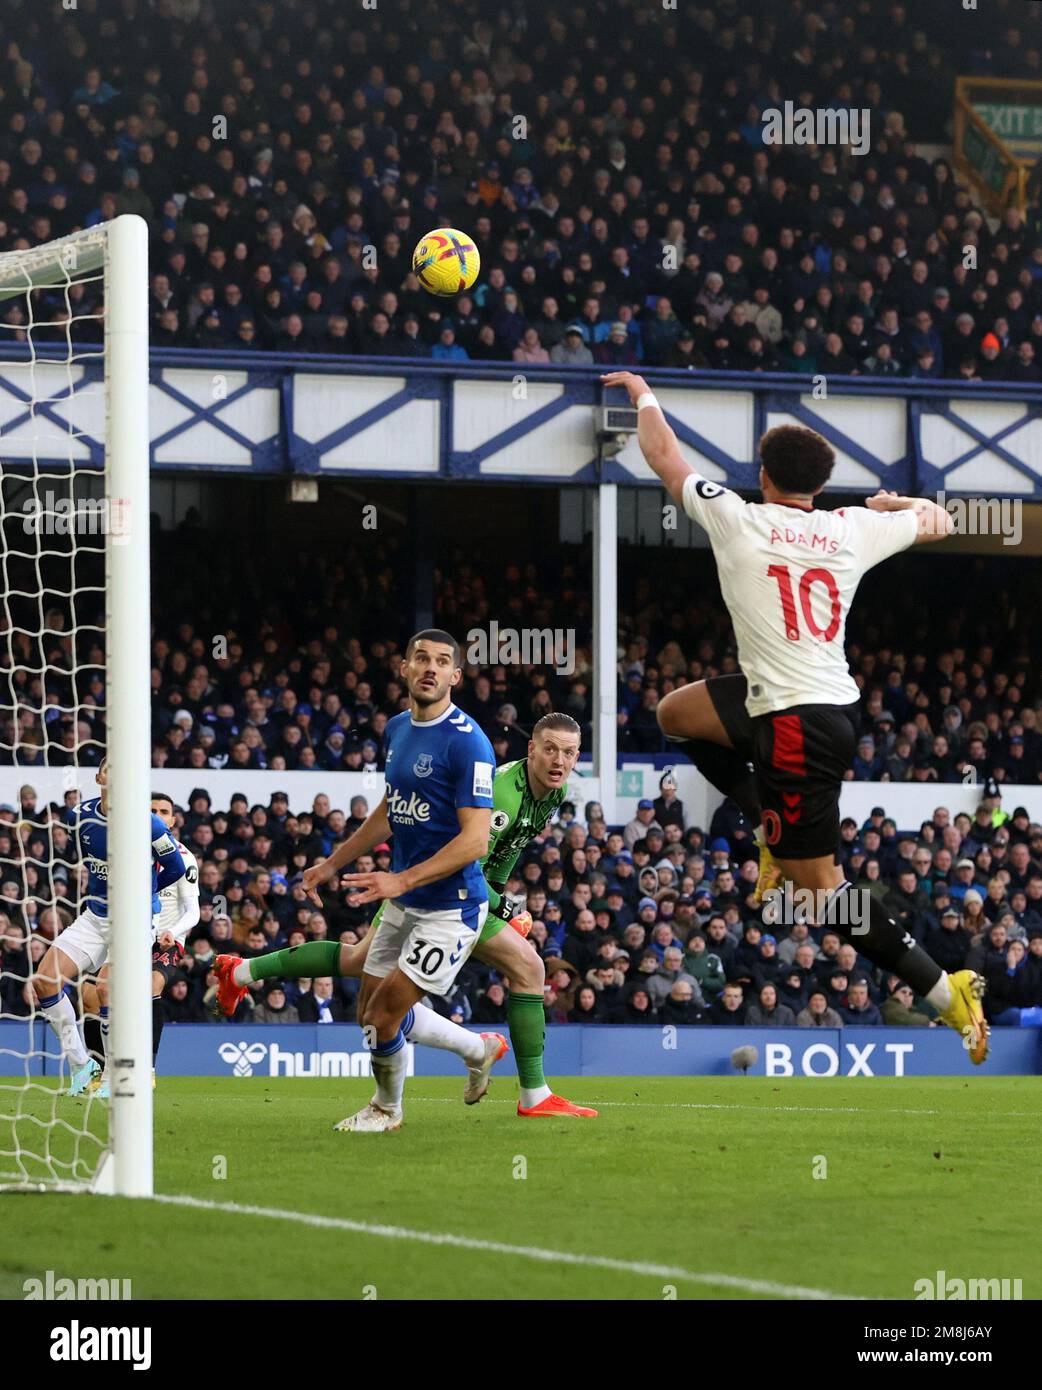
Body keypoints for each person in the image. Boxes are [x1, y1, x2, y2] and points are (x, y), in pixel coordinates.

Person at [603, 369, 989, 1064]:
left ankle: (944, 992)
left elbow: (664, 456)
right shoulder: (853, 528)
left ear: (762, 474)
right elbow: (941, 519)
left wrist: (643, 395)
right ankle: (766, 834)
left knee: (822, 894)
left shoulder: (737, 516)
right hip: (808, 702)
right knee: (675, 712)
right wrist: (891, 501)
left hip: (793, 724)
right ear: (818, 484)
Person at [217, 709, 597, 1118]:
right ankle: (524, 1091)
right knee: (527, 970)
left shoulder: (552, 793)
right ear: (531, 749)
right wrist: (501, 905)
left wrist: (499, 900)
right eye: (550, 750)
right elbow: (468, 852)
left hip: (434, 884)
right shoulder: (504, 791)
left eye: (569, 753)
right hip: (449, 889)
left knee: (358, 962)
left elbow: (505, 852)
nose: (559, 761)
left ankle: (241, 971)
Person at [30, 758, 186, 1094]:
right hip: (97, 913)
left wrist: (144, 892)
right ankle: (81, 1064)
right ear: (99, 777)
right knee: (44, 980)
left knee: (106, 989)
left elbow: (173, 867)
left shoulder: (150, 824)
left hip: (136, 917)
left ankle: (115, 1072)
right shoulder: (81, 816)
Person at [88, 789, 200, 1097]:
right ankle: (100, 1069)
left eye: (164, 812)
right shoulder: (123, 853)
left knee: (150, 987)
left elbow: (194, 912)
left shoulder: (185, 858)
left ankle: (147, 1068)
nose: (159, 816)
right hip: (124, 935)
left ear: (173, 820)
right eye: (153, 810)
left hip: (164, 941)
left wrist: (172, 932)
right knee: (91, 996)